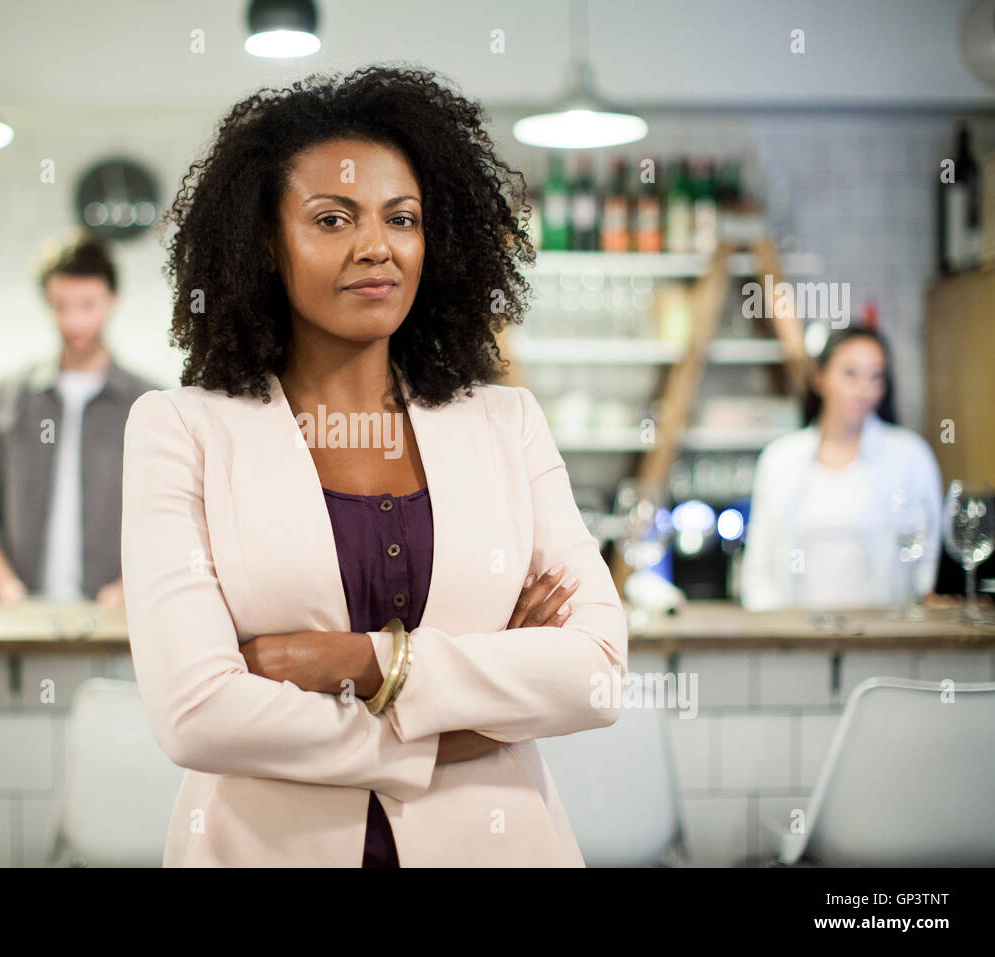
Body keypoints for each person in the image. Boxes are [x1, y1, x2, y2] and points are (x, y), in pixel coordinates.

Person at [121, 66, 628, 867]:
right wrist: (467, 712)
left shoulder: (506, 424)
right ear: (264, 240)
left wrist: (369, 662)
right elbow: (197, 713)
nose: (377, 247)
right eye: (332, 218)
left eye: (403, 218)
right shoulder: (182, 430)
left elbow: (596, 672)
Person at [0, 234, 158, 606]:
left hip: (119, 623)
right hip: (24, 621)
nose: (74, 320)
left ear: (112, 300)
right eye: (60, 305)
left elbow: (173, 521)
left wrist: (128, 586)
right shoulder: (8, 398)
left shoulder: (149, 404)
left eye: (87, 304)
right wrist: (3, 582)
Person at [740, 325, 943, 611]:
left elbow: (927, 555)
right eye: (850, 374)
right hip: (797, 637)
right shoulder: (780, 459)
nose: (864, 389)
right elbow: (758, 566)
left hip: (886, 638)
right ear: (819, 378)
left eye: (875, 377)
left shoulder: (910, 455)